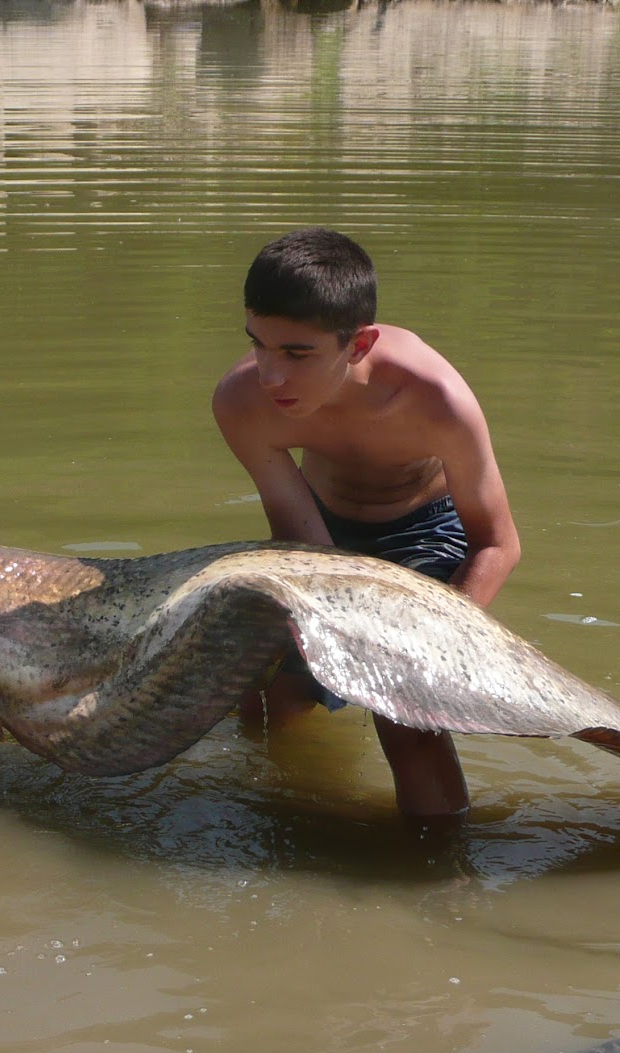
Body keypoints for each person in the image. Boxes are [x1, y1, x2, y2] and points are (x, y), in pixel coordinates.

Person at [211, 227, 521, 820]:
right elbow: (301, 535)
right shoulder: (240, 402)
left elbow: (498, 543)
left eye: (297, 354)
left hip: (427, 530)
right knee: (269, 690)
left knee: (404, 707)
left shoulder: (436, 399)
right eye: (259, 345)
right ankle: (288, 821)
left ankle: (441, 855)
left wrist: (438, 641)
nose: (270, 376)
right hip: (322, 530)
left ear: (359, 345)